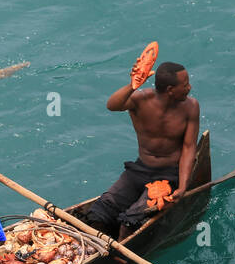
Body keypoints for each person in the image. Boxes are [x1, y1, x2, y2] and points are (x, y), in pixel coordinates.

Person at [85, 54, 199, 239]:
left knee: (131, 220)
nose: (189, 87)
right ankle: (98, 249)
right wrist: (133, 85)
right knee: (99, 211)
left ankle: (120, 254)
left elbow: (189, 147)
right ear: (170, 90)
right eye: (185, 85)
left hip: (168, 175)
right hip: (139, 170)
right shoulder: (140, 100)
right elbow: (112, 105)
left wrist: (184, 185)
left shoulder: (191, 107)